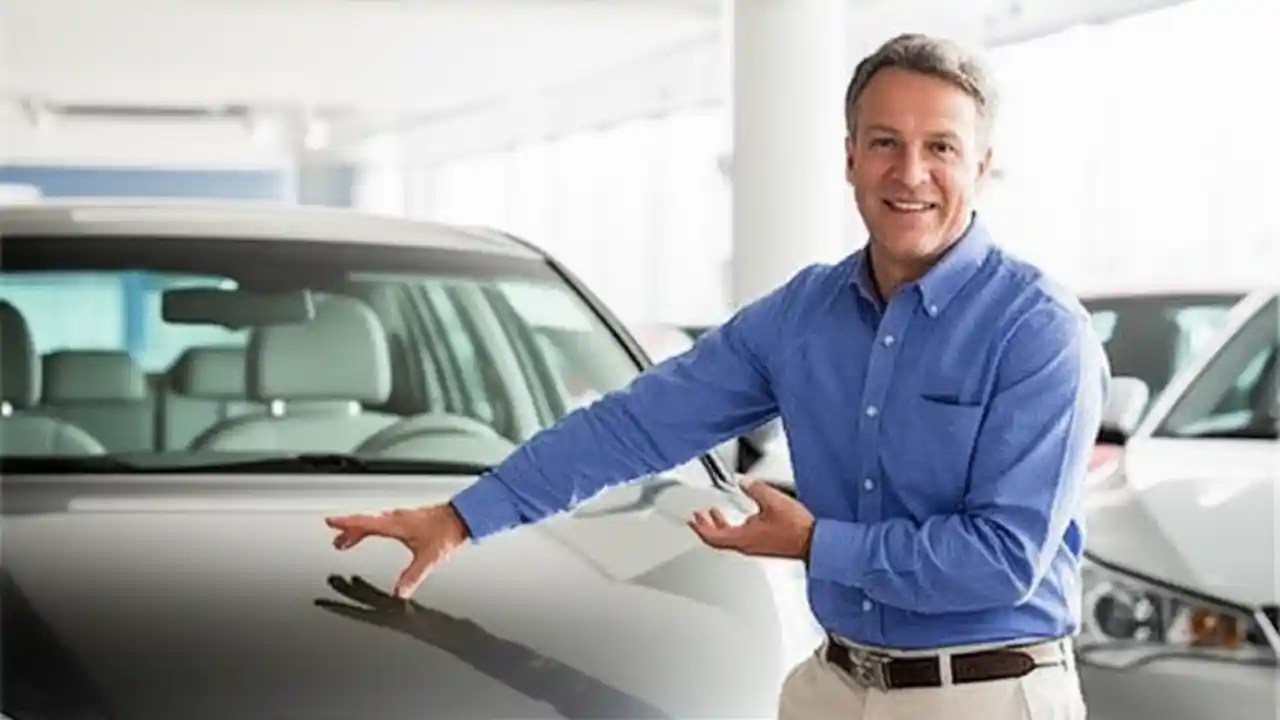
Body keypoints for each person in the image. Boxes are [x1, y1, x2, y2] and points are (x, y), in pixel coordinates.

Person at [326, 33, 1104, 720]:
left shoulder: (1035, 330)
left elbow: (1004, 557)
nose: (910, 173)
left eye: (940, 147)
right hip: (832, 688)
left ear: (982, 164)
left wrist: (816, 545)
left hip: (984, 698)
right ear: (849, 157)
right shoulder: (805, 313)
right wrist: (462, 517)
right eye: (884, 143)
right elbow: (636, 424)